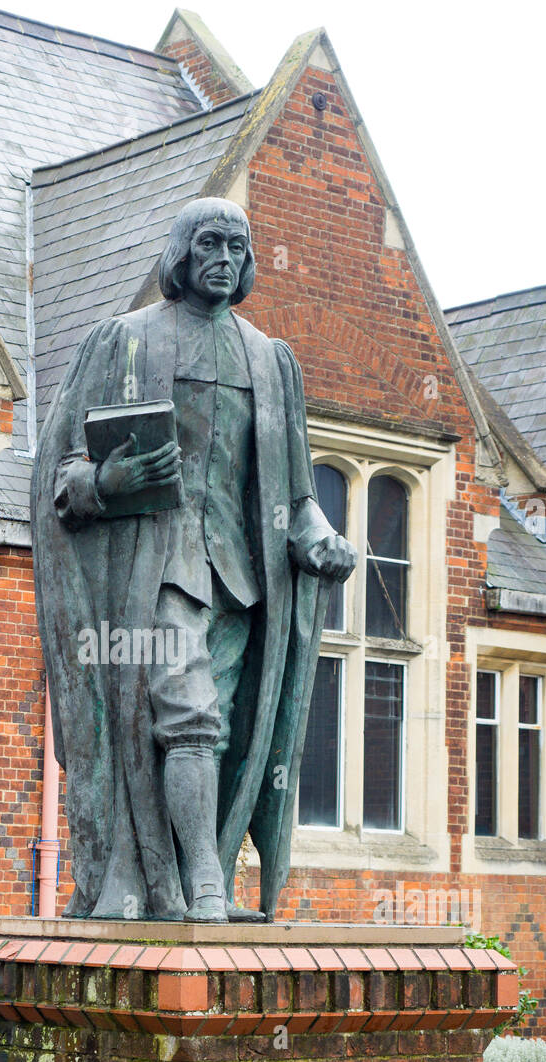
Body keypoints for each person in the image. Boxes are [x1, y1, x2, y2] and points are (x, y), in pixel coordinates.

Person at [31, 197, 355, 922]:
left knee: (231, 733)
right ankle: (201, 886)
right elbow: (64, 479)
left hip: (241, 581)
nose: (224, 258)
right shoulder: (123, 341)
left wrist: (318, 538)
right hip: (154, 571)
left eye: (237, 247)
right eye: (209, 243)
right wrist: (110, 481)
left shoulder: (270, 363)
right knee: (191, 720)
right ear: (179, 253)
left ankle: (190, 882)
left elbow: (295, 496)